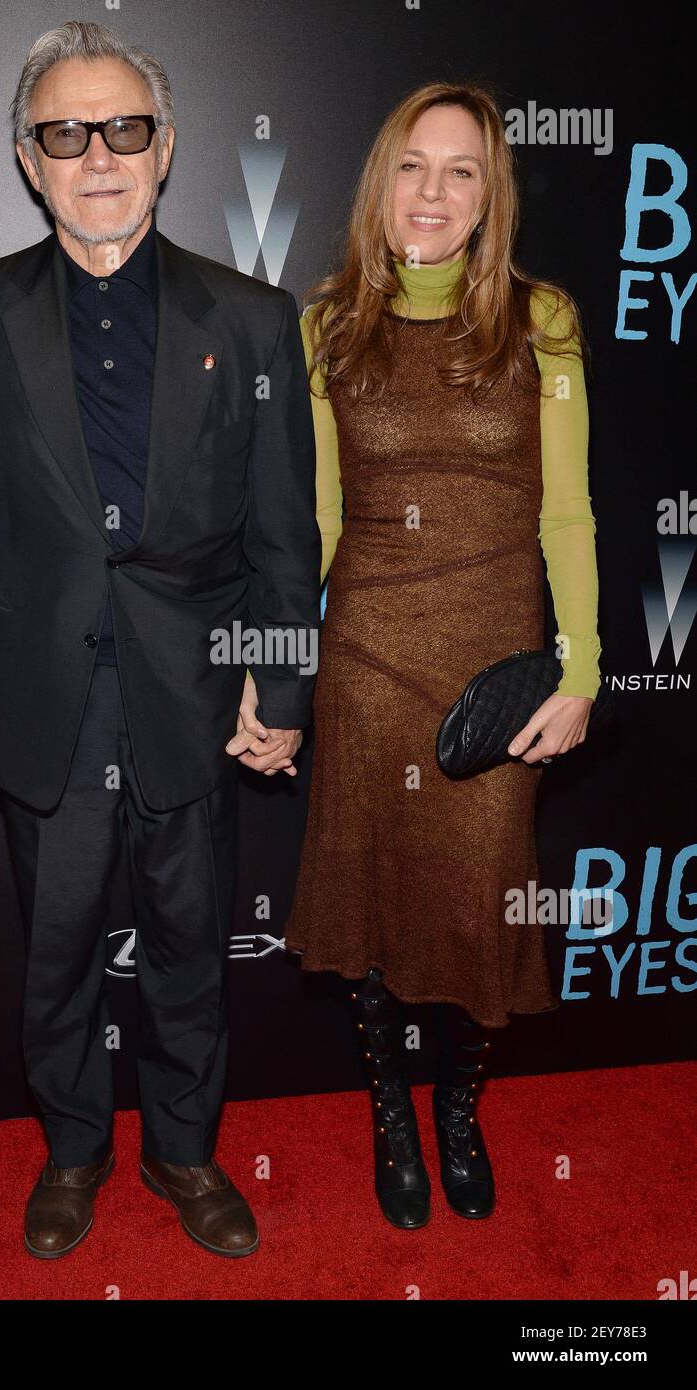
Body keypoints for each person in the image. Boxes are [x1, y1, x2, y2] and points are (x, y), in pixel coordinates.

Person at [0, 20, 320, 1260]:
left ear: (167, 146)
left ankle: (187, 1155)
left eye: (124, 128)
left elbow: (284, 533)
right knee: (58, 951)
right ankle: (74, 1152)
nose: (98, 156)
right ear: (31, 161)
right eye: (65, 134)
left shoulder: (249, 318)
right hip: (40, 692)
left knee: (194, 941)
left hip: (190, 688)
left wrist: (282, 686)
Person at [285, 82, 601, 1229]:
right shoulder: (325, 325)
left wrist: (578, 673)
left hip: (495, 676)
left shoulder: (544, 321)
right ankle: (389, 1116)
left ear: (487, 197)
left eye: (459, 170)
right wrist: (280, 679)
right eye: (412, 165)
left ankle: (457, 1110)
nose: (432, 191)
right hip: (366, 656)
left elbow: (565, 512)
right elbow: (319, 517)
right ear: (382, 183)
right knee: (370, 916)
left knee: (480, 908)